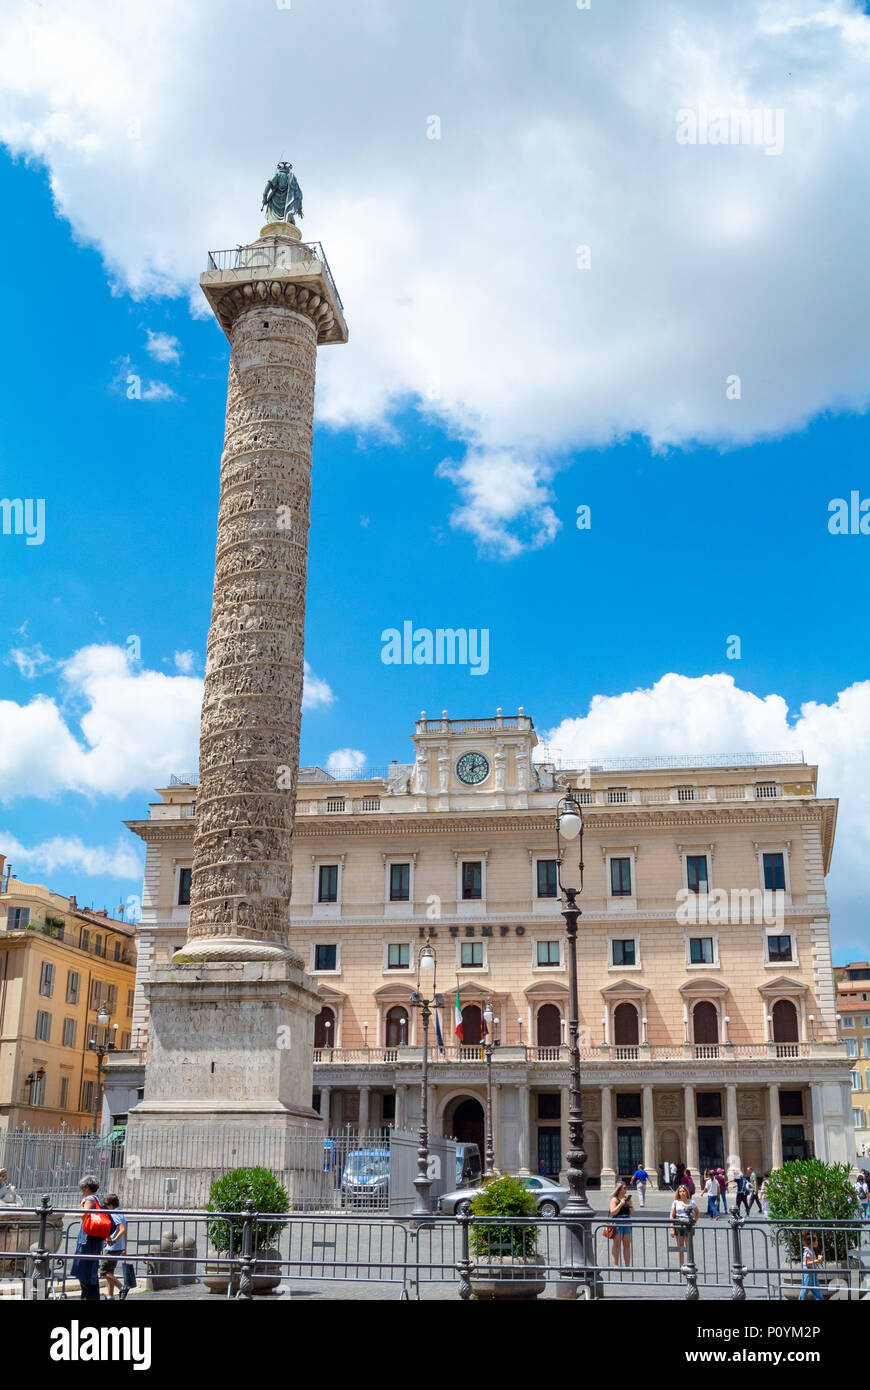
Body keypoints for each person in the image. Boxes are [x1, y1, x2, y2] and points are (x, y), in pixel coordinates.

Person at [70, 1175, 105, 1301]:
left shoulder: (89, 1199)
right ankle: (89, 1295)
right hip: (94, 1239)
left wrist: (81, 1205)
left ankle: (88, 1296)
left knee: (85, 1269)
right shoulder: (97, 1199)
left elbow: (83, 1215)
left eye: (82, 1187)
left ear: (86, 1187)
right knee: (89, 1269)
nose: (81, 1189)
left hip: (87, 1239)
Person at [99, 1194, 131, 1300]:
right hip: (118, 1247)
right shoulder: (121, 1213)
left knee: (103, 1272)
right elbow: (125, 1233)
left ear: (110, 1205)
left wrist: (113, 1240)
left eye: (106, 1206)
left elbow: (122, 1230)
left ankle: (122, 1287)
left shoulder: (114, 1214)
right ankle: (110, 1295)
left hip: (112, 1248)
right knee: (110, 1272)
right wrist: (124, 1248)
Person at [669, 1184, 698, 1266]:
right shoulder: (675, 1202)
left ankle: (690, 1264)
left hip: (688, 1224)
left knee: (689, 1245)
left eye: (684, 1191)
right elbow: (671, 1215)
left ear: (686, 1192)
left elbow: (697, 1213)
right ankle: (681, 1265)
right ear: (678, 1193)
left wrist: (695, 1221)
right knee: (680, 1246)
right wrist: (671, 1228)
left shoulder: (691, 1202)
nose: (682, 1193)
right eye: (681, 1191)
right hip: (678, 1224)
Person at [608, 1182, 633, 1268]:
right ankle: (616, 1264)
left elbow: (633, 1213)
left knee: (627, 1245)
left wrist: (630, 1205)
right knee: (616, 1244)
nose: (626, 1190)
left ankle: (627, 1265)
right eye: (624, 1188)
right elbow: (612, 1212)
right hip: (617, 1222)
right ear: (619, 1189)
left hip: (627, 1222)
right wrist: (621, 1204)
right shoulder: (614, 1199)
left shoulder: (627, 1199)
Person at [798, 1231, 824, 1301]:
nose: (817, 1242)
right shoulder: (807, 1251)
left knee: (816, 1288)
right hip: (808, 1271)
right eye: (816, 1240)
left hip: (812, 1270)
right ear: (812, 1242)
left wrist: (818, 1261)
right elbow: (807, 1263)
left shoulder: (811, 1250)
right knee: (805, 1288)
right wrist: (817, 1261)